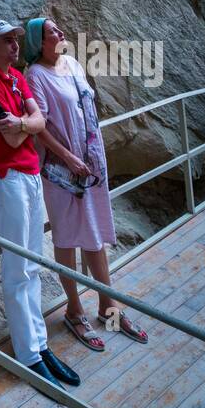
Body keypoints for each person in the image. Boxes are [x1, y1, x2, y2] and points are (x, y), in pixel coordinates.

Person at [24, 17, 148, 351]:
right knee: (66, 240)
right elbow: (39, 126)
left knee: (94, 236)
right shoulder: (35, 75)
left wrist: (88, 159)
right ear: (39, 41)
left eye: (59, 29)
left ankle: (109, 306)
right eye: (52, 32)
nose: (61, 33)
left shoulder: (73, 64)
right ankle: (74, 309)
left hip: (91, 164)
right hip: (63, 171)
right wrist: (68, 158)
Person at [0, 19, 81, 391]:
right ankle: (28, 354)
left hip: (30, 174)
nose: (14, 45)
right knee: (18, 267)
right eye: (6, 40)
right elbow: (16, 137)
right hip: (8, 176)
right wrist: (26, 125)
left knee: (33, 261)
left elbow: (39, 119)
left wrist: (24, 124)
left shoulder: (16, 77)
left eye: (16, 39)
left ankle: (40, 344)